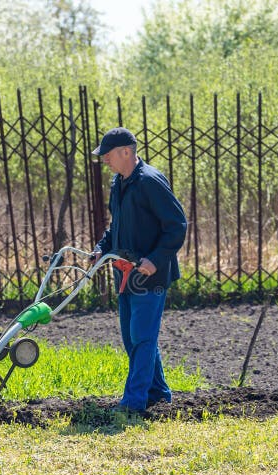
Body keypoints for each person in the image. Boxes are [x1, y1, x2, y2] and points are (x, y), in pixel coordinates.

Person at [91, 127, 187, 413]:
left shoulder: (150, 182)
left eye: (107, 155)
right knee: (133, 338)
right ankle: (158, 393)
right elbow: (117, 225)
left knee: (143, 337)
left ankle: (133, 403)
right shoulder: (118, 183)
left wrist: (155, 259)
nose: (104, 160)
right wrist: (102, 246)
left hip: (150, 274)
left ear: (125, 152)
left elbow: (177, 225)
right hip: (125, 273)